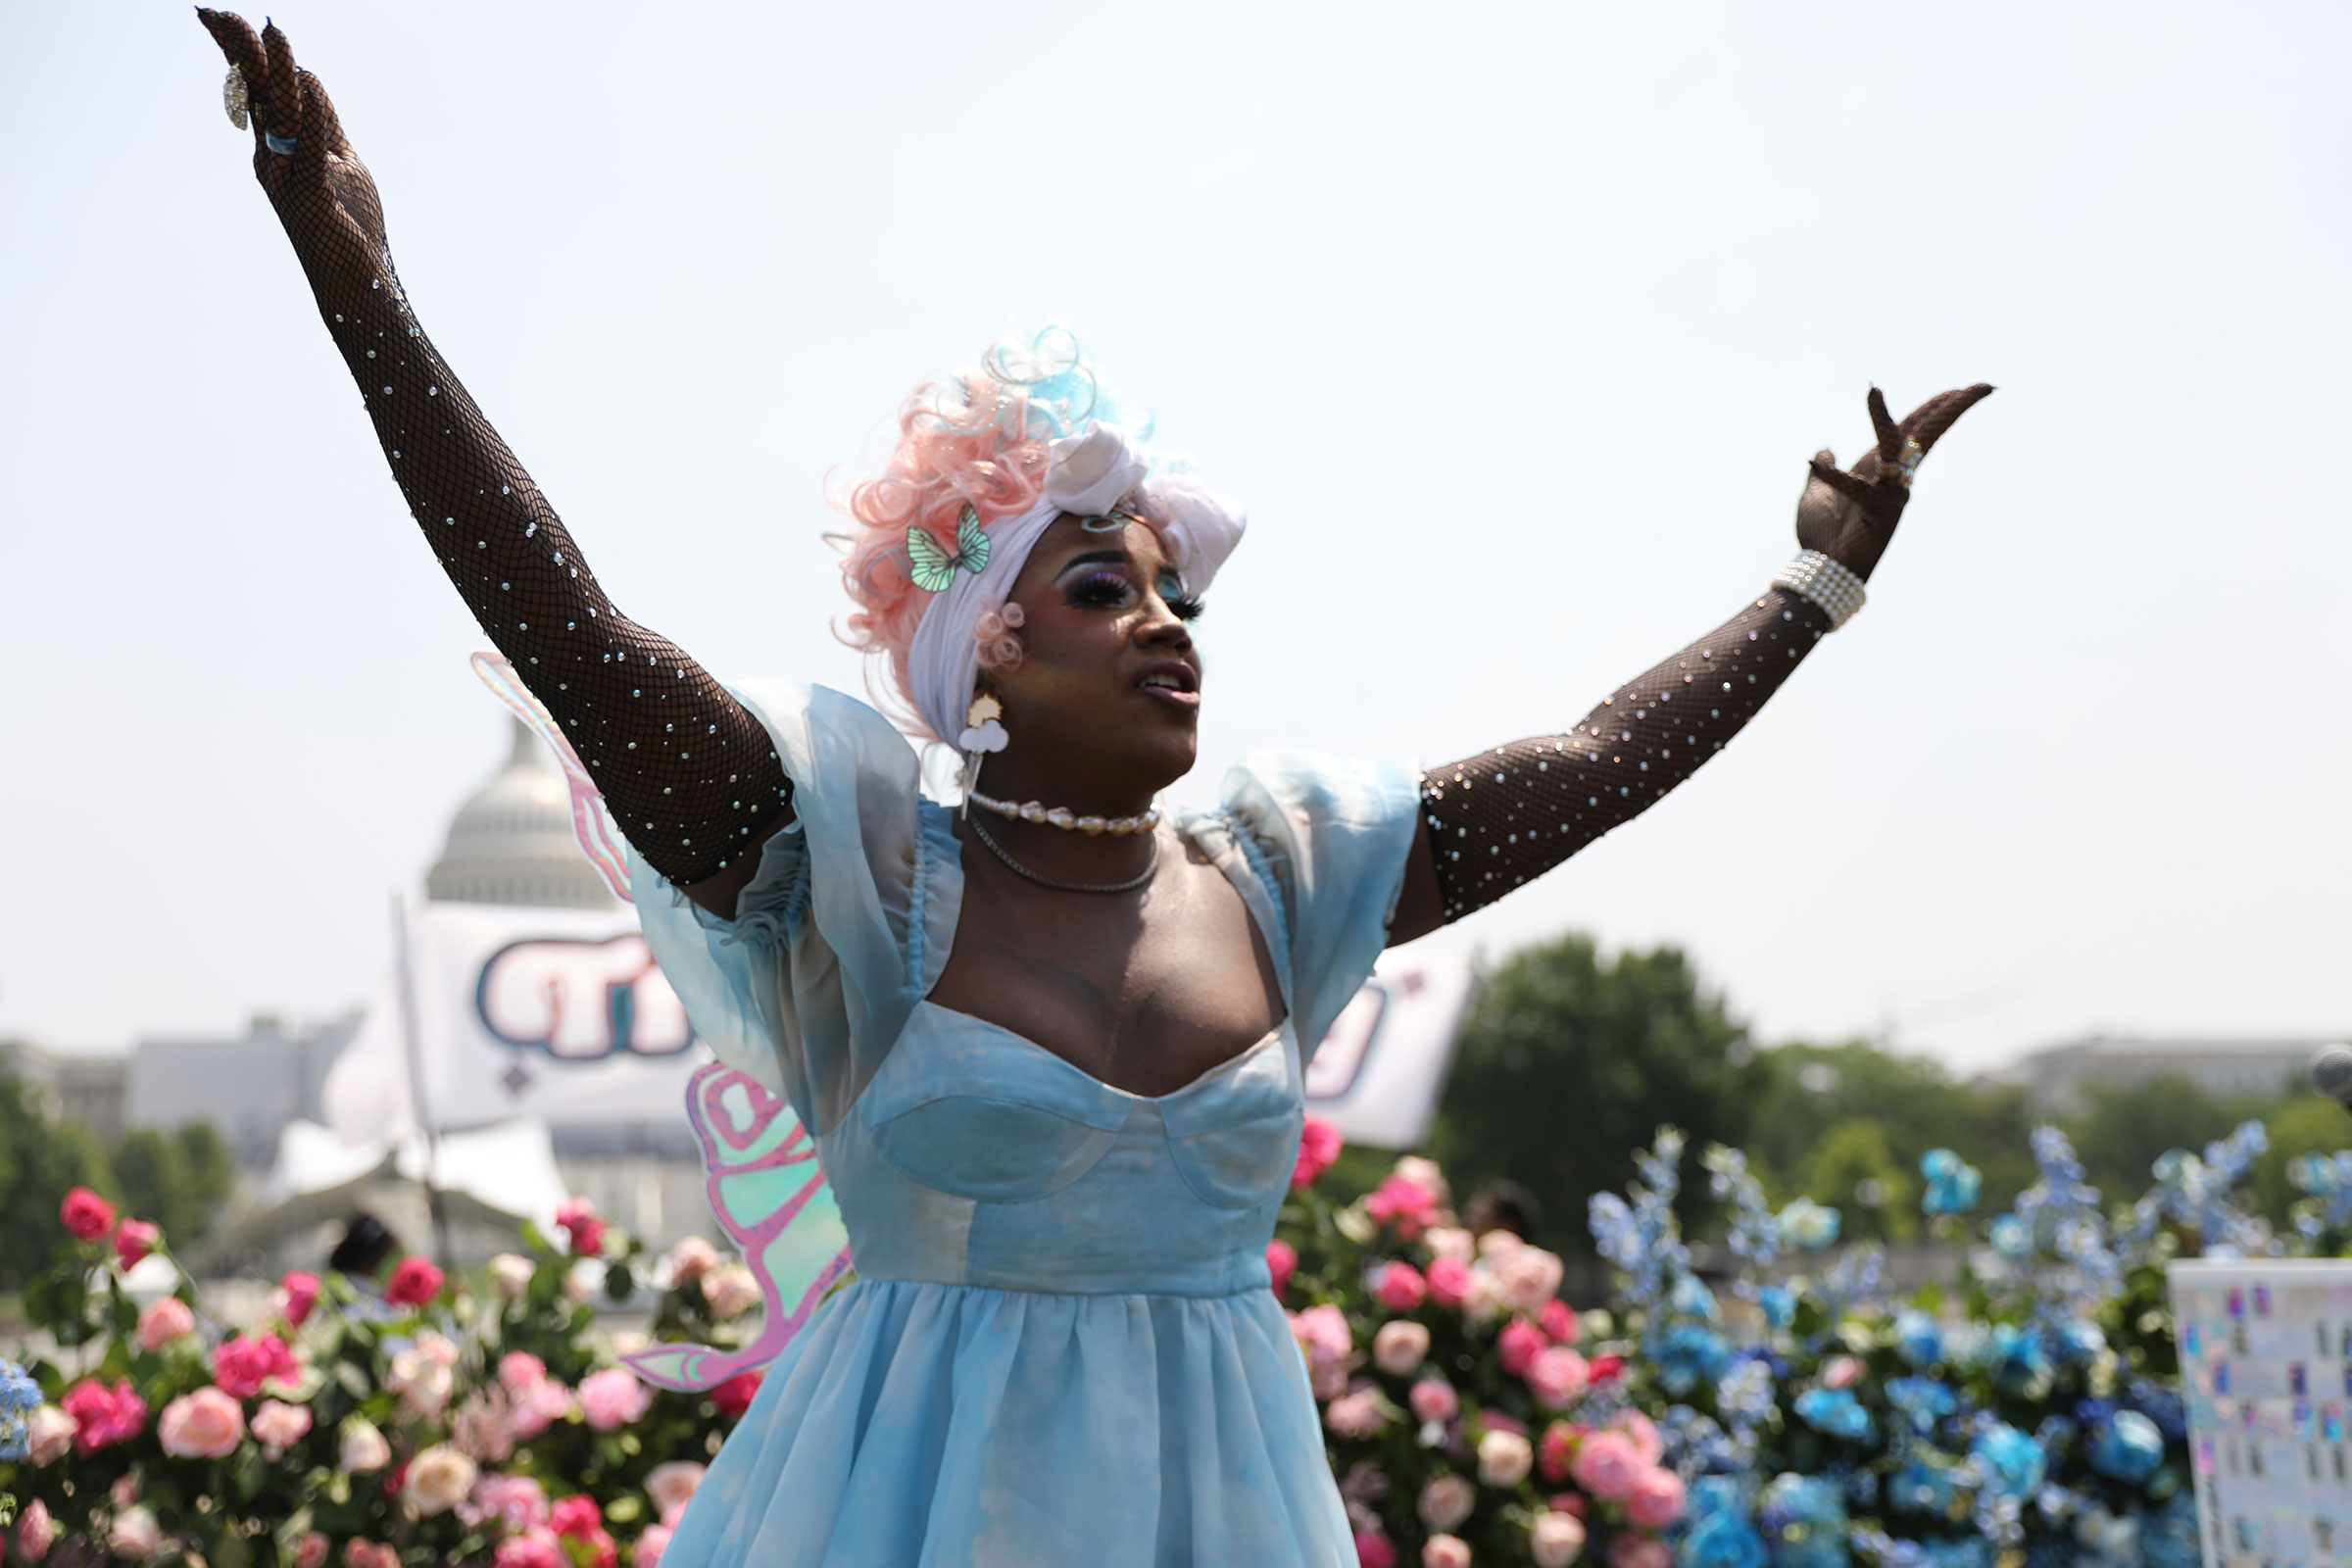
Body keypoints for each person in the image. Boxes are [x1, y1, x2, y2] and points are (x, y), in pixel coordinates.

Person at [193, 16, 1988, 1565]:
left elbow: (1597, 763)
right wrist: (364, 289)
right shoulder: (857, 867)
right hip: (888, 1510)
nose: (1164, 627)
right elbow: (573, 637)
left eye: (1178, 594)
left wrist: (1816, 586)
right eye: (1102, 591)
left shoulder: (1285, 877)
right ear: (981, 651)